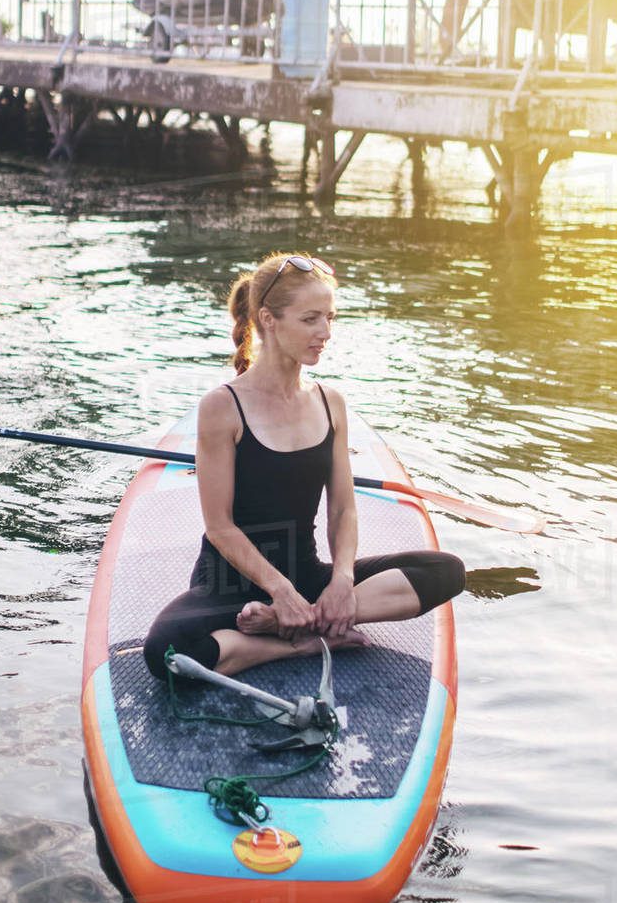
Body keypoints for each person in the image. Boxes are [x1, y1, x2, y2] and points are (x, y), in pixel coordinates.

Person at [144, 252, 464, 681]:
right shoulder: (223, 406)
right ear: (268, 319)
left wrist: (343, 581)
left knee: (445, 571)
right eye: (311, 319)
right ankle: (307, 642)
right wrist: (280, 591)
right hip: (231, 585)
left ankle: (287, 626)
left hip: (307, 573)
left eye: (330, 318)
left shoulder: (330, 402)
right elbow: (219, 527)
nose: (325, 332)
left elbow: (343, 509)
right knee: (165, 653)